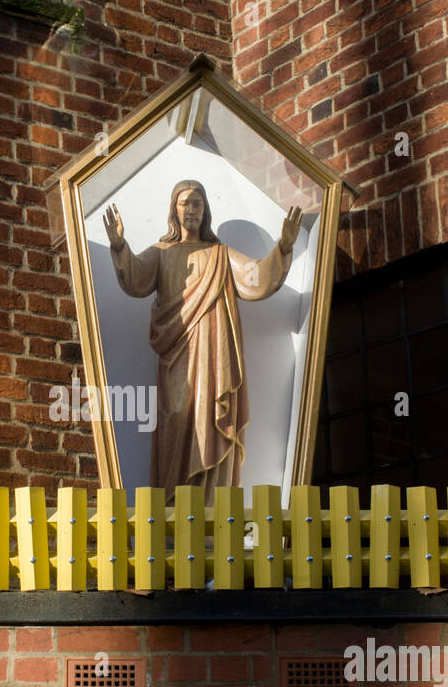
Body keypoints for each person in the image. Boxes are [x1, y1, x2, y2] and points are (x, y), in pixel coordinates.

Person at [103, 180, 301, 495]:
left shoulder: (220, 255)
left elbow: (254, 277)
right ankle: (173, 510)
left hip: (214, 357)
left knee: (213, 420)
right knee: (178, 418)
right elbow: (137, 279)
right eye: (185, 203)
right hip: (177, 359)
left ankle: (213, 513)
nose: (192, 209)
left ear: (204, 210)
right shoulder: (162, 253)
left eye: (198, 203)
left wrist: (283, 249)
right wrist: (118, 245)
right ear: (174, 210)